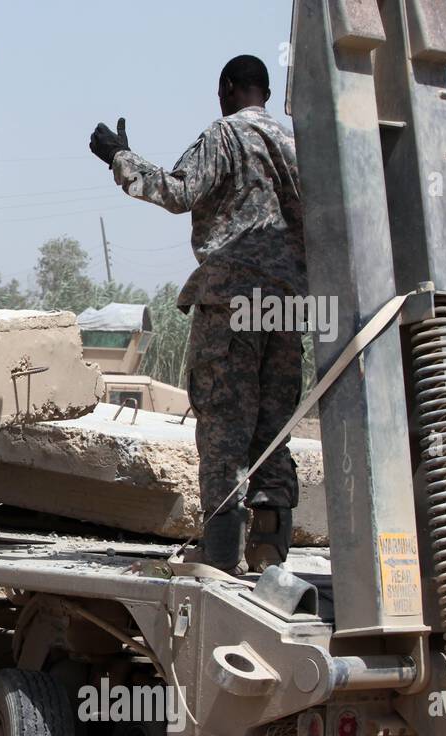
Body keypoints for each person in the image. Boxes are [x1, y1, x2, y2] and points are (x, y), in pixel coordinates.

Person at [89, 54, 307, 574]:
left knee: (224, 428)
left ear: (228, 89)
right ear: (267, 93)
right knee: (274, 429)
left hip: (232, 300)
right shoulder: (300, 146)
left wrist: (120, 157)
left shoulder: (226, 136)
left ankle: (220, 554)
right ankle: (270, 552)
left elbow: (178, 191)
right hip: (286, 307)